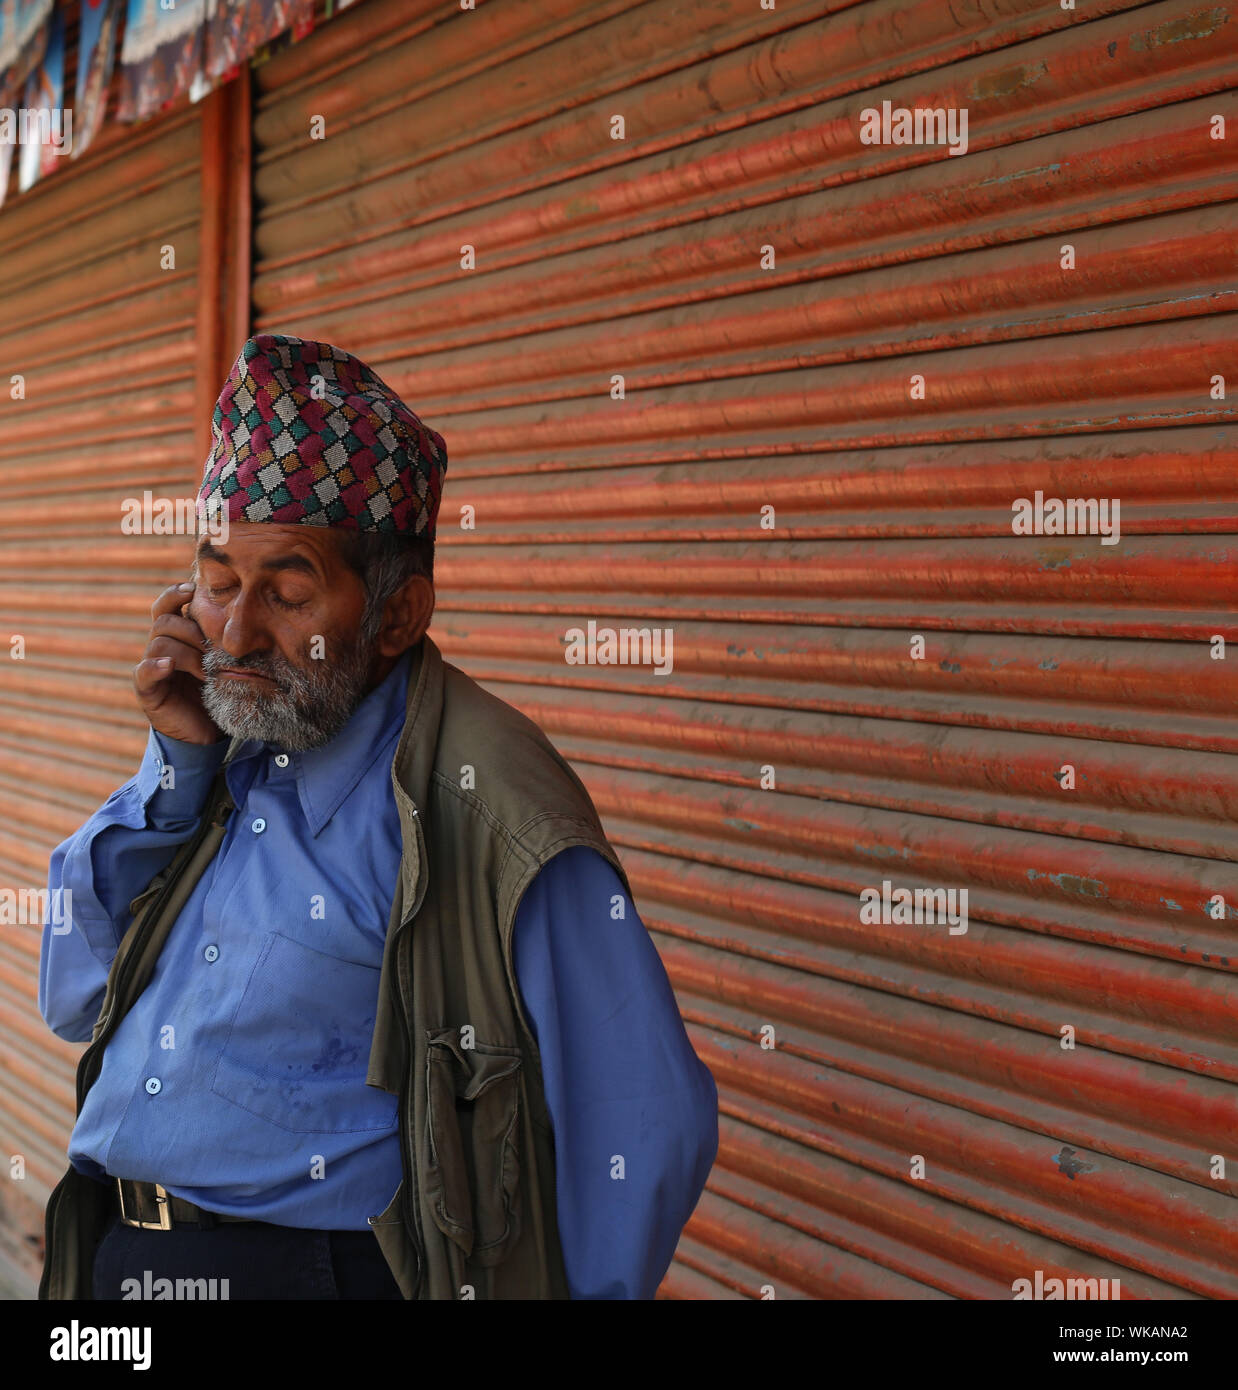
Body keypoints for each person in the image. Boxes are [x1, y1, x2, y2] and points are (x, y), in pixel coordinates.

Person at [37, 333, 718, 1300]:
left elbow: (646, 1126)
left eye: (289, 589)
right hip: (120, 1256)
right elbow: (70, 998)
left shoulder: (488, 805)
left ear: (398, 616)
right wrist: (174, 769)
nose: (232, 631)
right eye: (220, 578)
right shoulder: (233, 747)